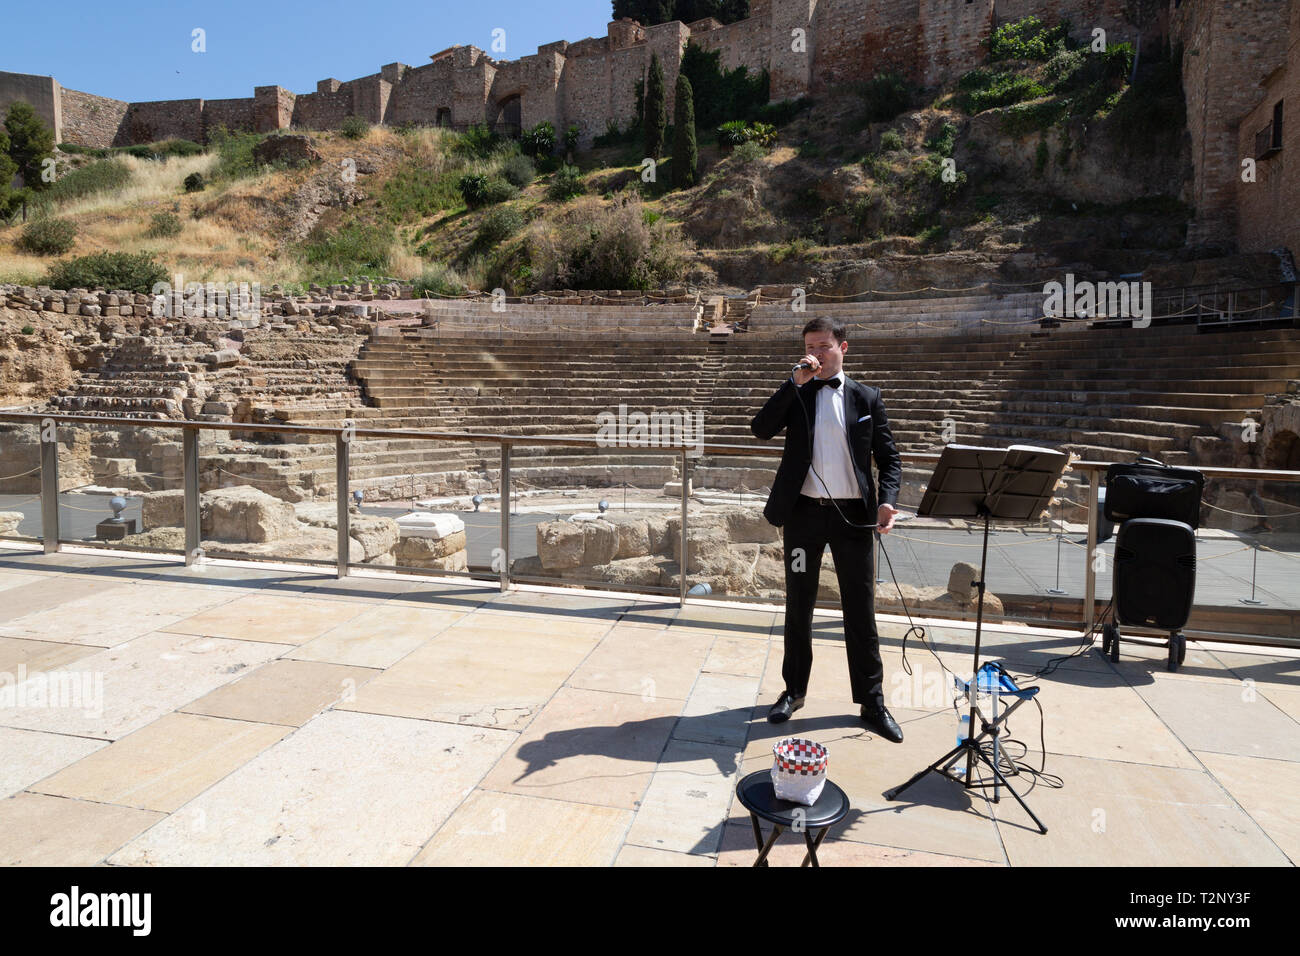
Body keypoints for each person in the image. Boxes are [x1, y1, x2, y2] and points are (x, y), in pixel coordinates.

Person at [750, 316, 904, 742]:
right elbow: (760, 429)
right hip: (803, 515)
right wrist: (792, 384)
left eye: (823, 346)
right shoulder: (798, 392)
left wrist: (887, 500)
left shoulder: (866, 398)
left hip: (853, 517)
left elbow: (889, 458)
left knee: (861, 609)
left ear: (843, 348)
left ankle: (871, 702)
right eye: (810, 346)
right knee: (799, 604)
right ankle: (793, 691)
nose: (815, 353)